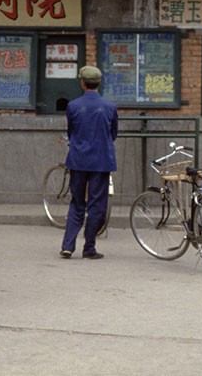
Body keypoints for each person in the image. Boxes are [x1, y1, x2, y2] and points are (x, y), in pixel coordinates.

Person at [60, 65, 118, 260]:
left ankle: (68, 245)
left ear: (82, 83)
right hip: (101, 161)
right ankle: (89, 247)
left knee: (77, 202)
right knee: (97, 204)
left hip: (78, 159)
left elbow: (71, 132)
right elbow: (113, 134)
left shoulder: (73, 106)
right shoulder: (109, 106)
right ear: (98, 83)